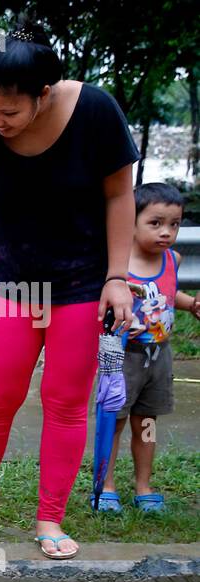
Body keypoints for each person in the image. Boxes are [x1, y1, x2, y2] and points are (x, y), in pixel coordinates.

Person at [0, 15, 138, 559]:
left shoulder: (95, 111)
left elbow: (121, 196)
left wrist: (117, 278)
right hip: (15, 284)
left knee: (67, 403)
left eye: (8, 111)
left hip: (81, 283)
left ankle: (50, 519)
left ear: (43, 94)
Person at [96, 182, 197, 514]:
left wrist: (191, 304)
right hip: (123, 358)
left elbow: (167, 295)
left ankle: (143, 485)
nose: (166, 232)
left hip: (159, 358)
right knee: (116, 421)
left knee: (146, 423)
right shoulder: (119, 265)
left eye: (174, 224)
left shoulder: (173, 259)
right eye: (155, 223)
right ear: (131, 222)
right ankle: (106, 484)